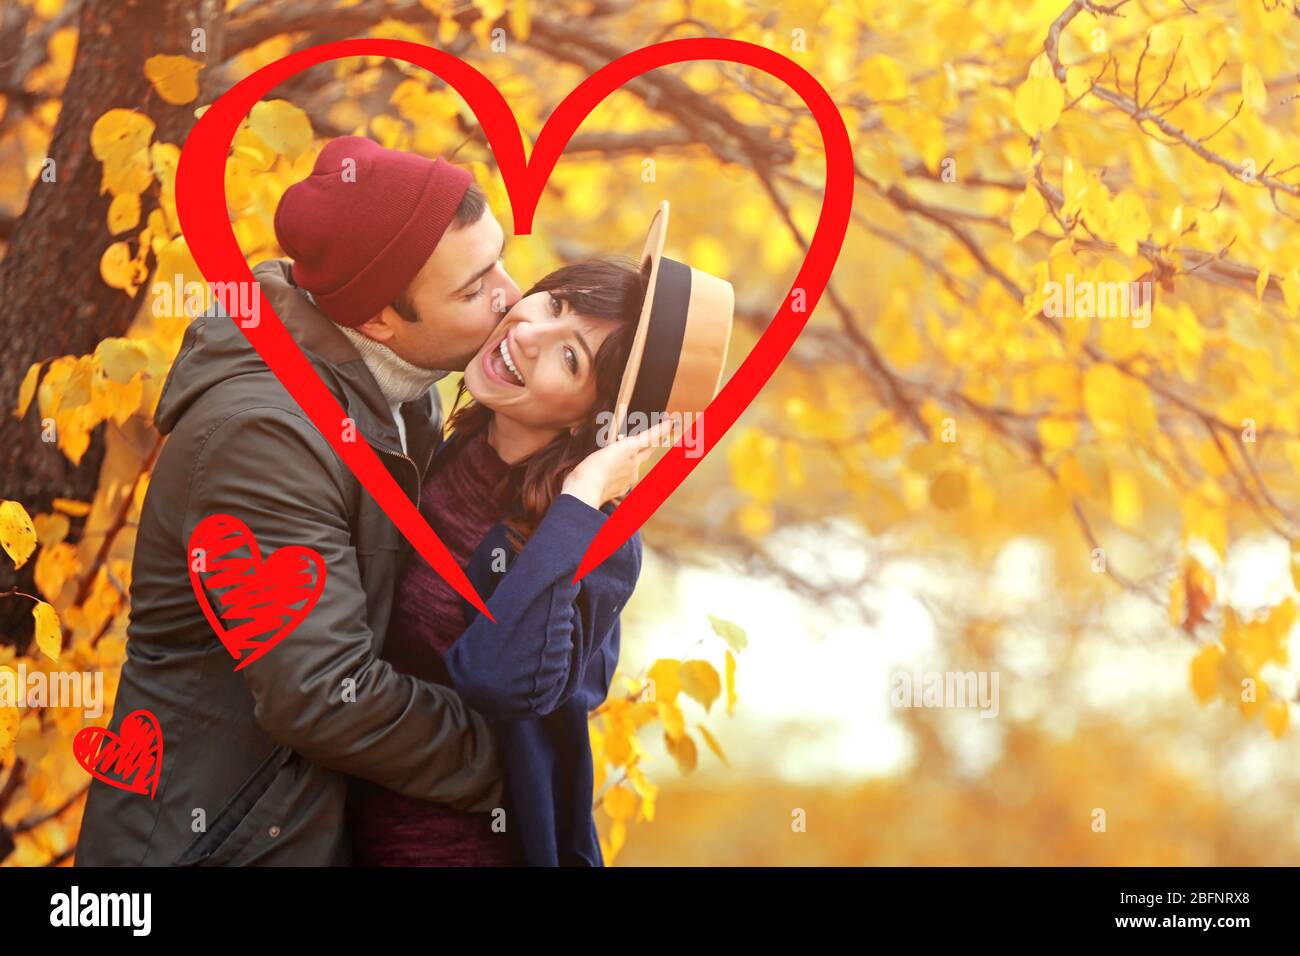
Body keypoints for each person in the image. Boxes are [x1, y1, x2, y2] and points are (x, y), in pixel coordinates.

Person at [76, 136, 522, 866]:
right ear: (380, 320)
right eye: (474, 289)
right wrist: (513, 759)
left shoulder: (399, 394)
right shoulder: (263, 434)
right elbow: (323, 694)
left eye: (498, 261)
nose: (512, 296)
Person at [348, 201, 734, 865]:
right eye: (555, 305)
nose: (528, 334)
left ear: (593, 423)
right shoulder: (437, 439)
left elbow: (498, 679)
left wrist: (579, 498)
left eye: (572, 360)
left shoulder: (593, 542)